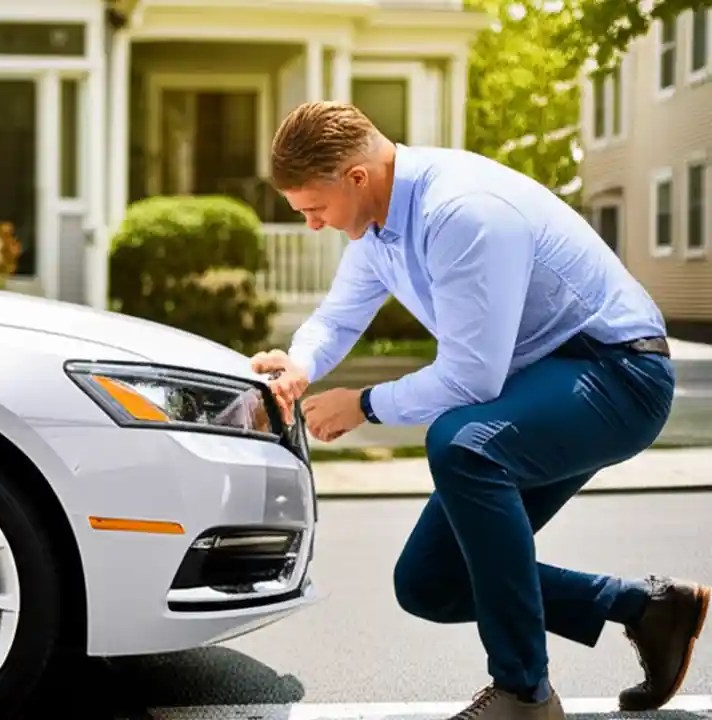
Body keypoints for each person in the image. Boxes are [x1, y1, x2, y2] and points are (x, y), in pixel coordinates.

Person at [251, 101, 710, 719]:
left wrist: (363, 404)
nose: (311, 225)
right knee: (430, 582)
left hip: (618, 373)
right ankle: (646, 609)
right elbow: (338, 316)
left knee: (462, 444)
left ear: (355, 177)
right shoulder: (379, 223)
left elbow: (470, 376)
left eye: (314, 209)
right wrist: (301, 366)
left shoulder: (461, 213)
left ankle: (524, 693)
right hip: (545, 381)